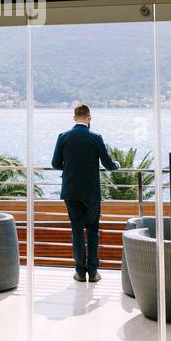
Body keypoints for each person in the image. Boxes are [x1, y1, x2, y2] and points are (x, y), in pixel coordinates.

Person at [51, 103, 118, 283]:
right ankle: (93, 272)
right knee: (93, 230)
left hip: (71, 191)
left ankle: (80, 272)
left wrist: (70, 167)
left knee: (77, 231)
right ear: (89, 119)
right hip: (91, 192)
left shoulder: (63, 137)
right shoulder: (95, 138)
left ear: (74, 118)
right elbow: (108, 164)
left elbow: (55, 163)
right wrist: (117, 165)